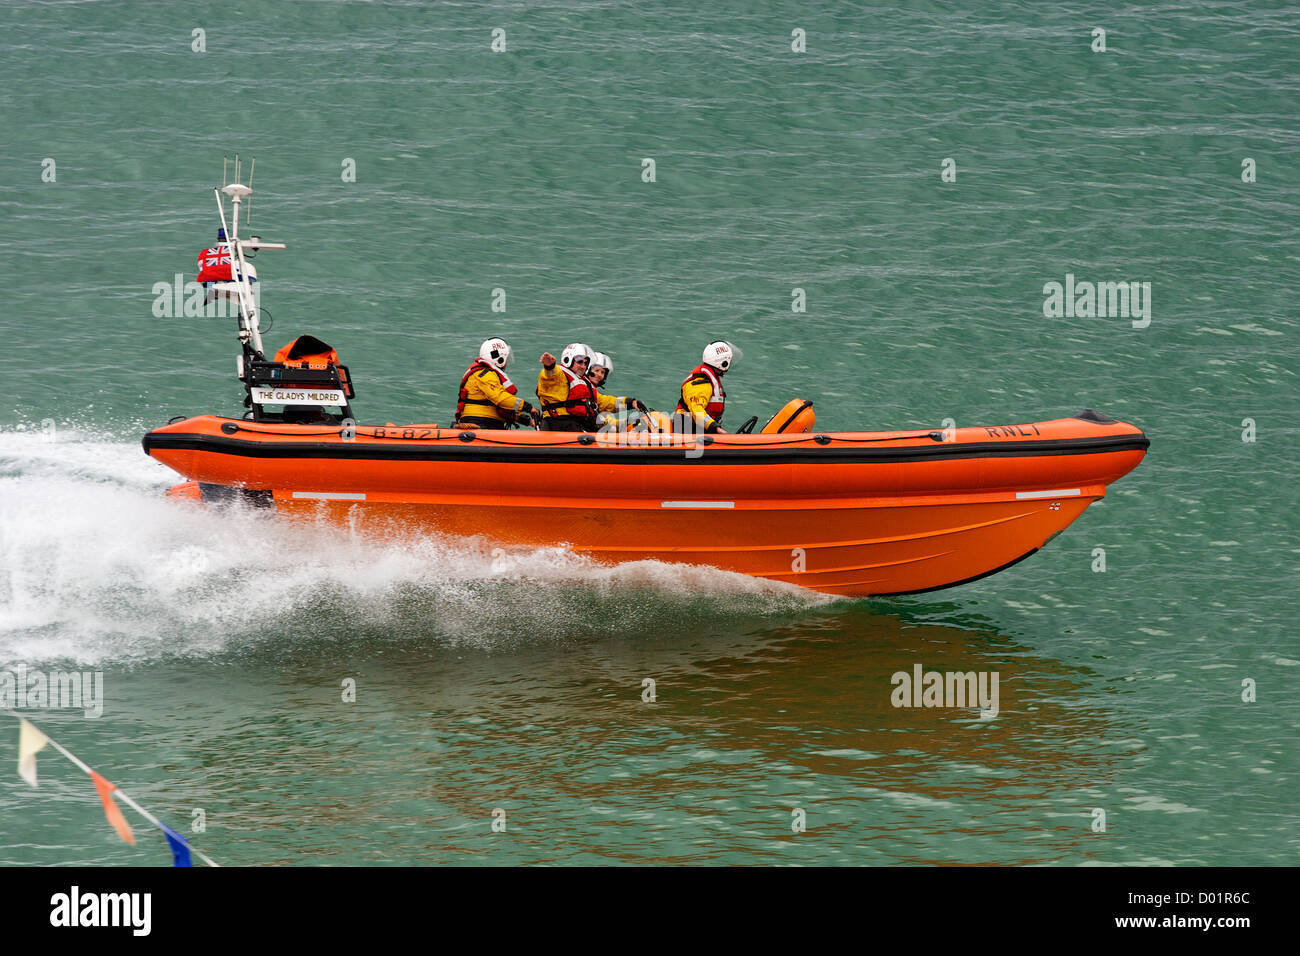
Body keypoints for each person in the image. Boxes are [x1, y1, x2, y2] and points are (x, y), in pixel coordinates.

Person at [456, 338, 538, 429]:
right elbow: (501, 399)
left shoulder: (488, 375)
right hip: (480, 423)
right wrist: (528, 407)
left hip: (487, 422)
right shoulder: (485, 375)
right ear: (499, 359)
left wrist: (527, 421)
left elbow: (502, 408)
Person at [537, 343, 600, 431]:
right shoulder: (560, 374)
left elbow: (601, 400)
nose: (583, 366)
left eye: (585, 363)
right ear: (568, 359)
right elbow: (550, 377)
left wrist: (624, 401)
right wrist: (549, 366)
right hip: (558, 425)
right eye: (580, 361)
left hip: (577, 424)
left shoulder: (584, 381)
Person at [675, 340, 734, 434]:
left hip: (698, 428)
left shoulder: (708, 376)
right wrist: (716, 428)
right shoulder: (702, 383)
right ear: (723, 363)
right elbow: (696, 410)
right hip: (688, 430)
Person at [586, 351, 648, 430]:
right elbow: (606, 402)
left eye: (602, 372)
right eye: (597, 370)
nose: (599, 374)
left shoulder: (592, 391)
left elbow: (605, 417)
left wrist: (626, 422)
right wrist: (630, 403)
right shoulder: (585, 388)